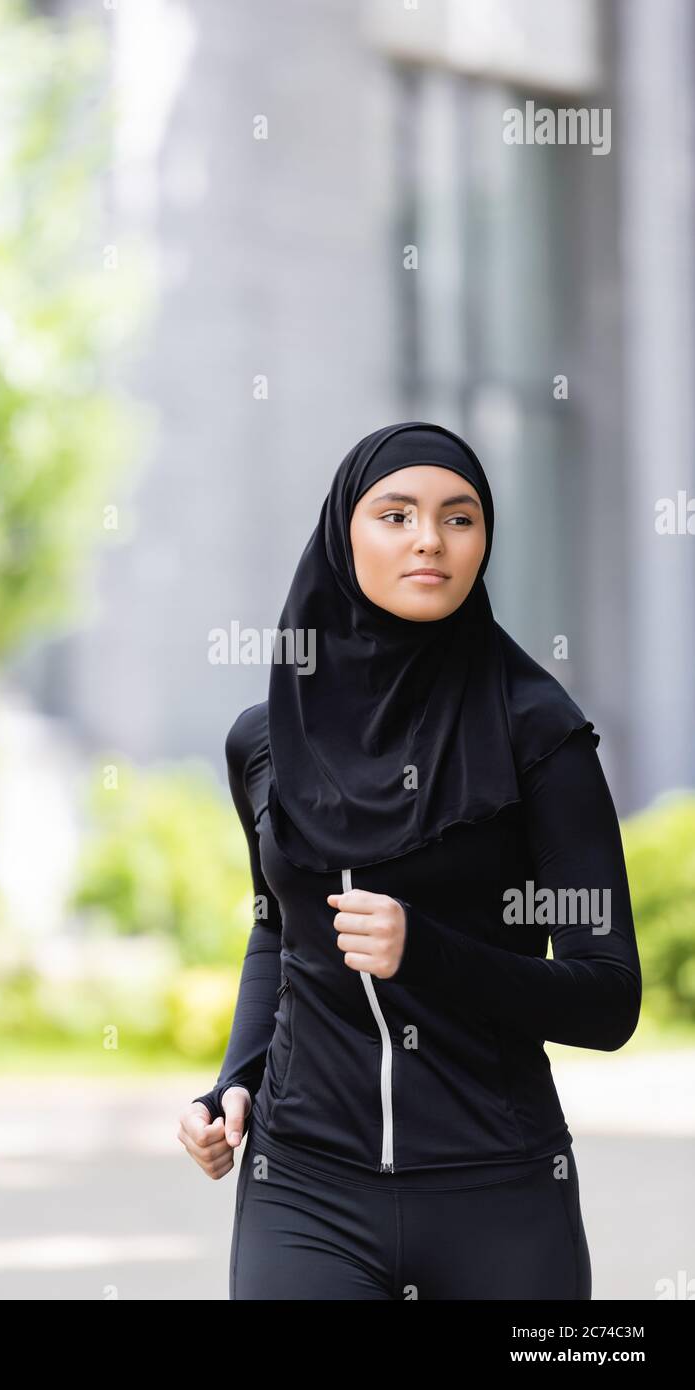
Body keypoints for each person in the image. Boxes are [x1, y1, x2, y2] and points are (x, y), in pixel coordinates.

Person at [177, 422, 641, 1300]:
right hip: (303, 1191)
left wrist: (427, 951)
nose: (429, 539)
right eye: (396, 514)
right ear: (342, 536)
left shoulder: (537, 733)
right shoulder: (267, 740)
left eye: (458, 518)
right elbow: (279, 936)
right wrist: (232, 1084)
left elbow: (608, 996)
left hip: (499, 1194)